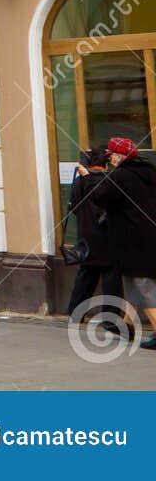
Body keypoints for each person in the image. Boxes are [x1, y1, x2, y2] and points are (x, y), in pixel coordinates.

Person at [88, 136, 156, 350]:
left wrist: (97, 176)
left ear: (117, 156)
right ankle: (127, 326)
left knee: (142, 286)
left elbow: (98, 196)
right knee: (134, 285)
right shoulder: (150, 172)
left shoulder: (121, 176)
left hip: (132, 240)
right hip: (149, 236)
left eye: (111, 156)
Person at [67, 147, 121, 325]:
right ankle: (110, 317)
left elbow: (74, 206)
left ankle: (76, 313)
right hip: (108, 234)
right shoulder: (110, 180)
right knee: (111, 277)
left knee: (86, 274)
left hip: (86, 233)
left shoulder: (79, 181)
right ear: (104, 162)